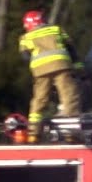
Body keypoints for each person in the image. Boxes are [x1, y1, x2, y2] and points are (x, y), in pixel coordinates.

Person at [18, 10, 83, 141]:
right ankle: (70, 133)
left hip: (40, 70)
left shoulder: (26, 37)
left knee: (39, 99)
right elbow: (71, 48)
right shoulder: (56, 29)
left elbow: (25, 56)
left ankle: (33, 133)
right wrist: (78, 66)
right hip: (61, 66)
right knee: (69, 97)